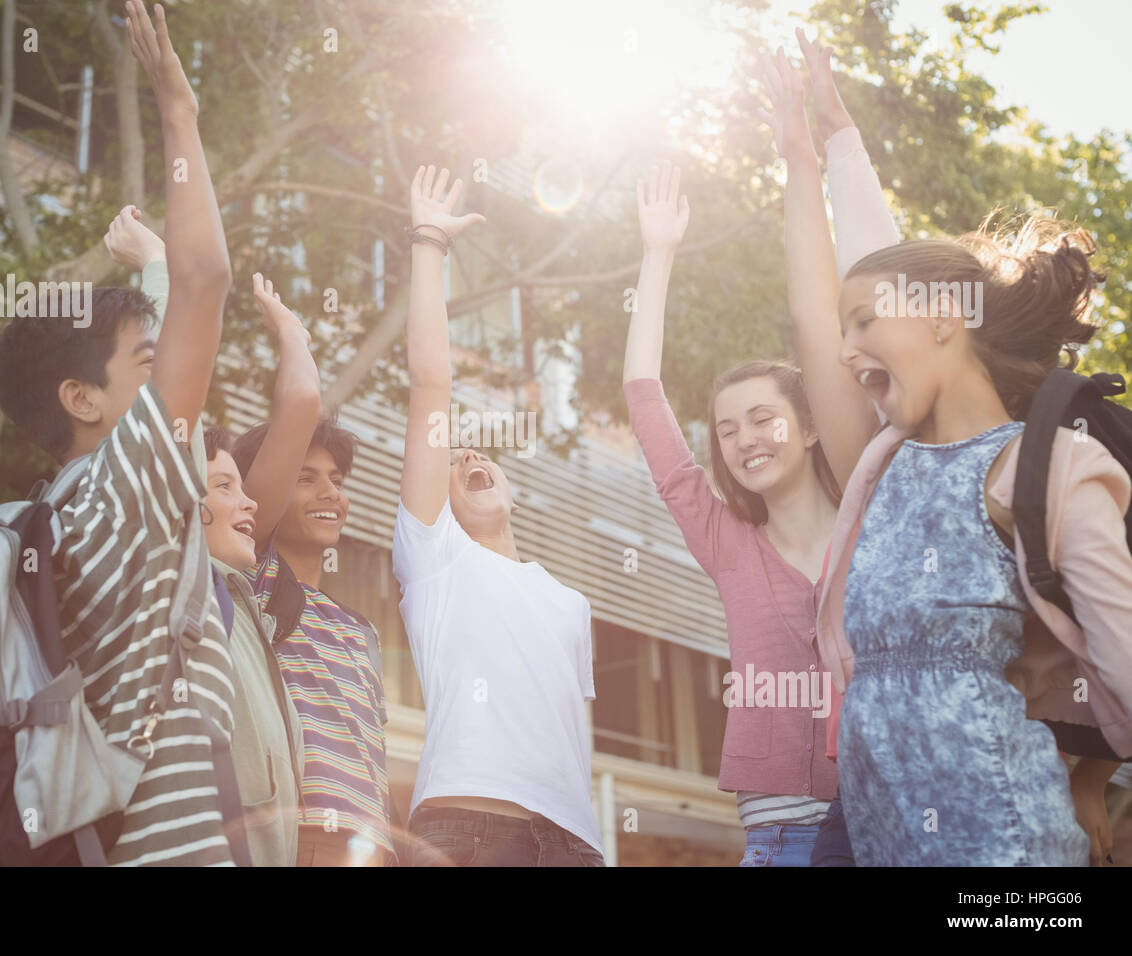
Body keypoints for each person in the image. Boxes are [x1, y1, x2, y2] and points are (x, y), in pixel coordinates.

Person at [768, 41, 1132, 865]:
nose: (846, 345)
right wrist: (808, 155)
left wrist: (1091, 785)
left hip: (1005, 850)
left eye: (865, 323)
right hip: (887, 841)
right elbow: (818, 305)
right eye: (846, 327)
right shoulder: (881, 460)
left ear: (942, 319)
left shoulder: (1049, 470)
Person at [620, 34, 898, 867]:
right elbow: (642, 394)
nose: (743, 441)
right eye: (727, 428)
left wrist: (813, 153)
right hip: (783, 834)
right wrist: (658, 252)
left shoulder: (876, 513)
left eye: (763, 420)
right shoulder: (726, 543)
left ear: (810, 423)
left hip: (895, 825)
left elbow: (859, 303)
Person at [0, 0, 240, 865]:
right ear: (81, 400)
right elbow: (210, 283)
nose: (169, 377)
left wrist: (156, 270)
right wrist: (178, 109)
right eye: (143, 363)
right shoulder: (121, 493)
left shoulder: (61, 517)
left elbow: (184, 313)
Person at [394, 165, 603, 866]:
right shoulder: (436, 559)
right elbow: (432, 382)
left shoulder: (571, 604)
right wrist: (430, 242)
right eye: (451, 460)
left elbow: (576, 741)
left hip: (574, 842)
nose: (467, 457)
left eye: (479, 453)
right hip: (470, 832)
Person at [104, 207, 310, 866]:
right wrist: (158, 268)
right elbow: (165, 412)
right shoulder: (175, 579)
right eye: (222, 486)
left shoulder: (244, 605)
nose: (249, 502)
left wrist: (296, 334)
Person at [232, 414, 395, 866]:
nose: (331, 494)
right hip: (301, 836)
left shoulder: (362, 630)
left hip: (369, 847)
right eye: (305, 478)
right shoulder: (254, 588)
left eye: (337, 480)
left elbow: (372, 752)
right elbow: (297, 406)